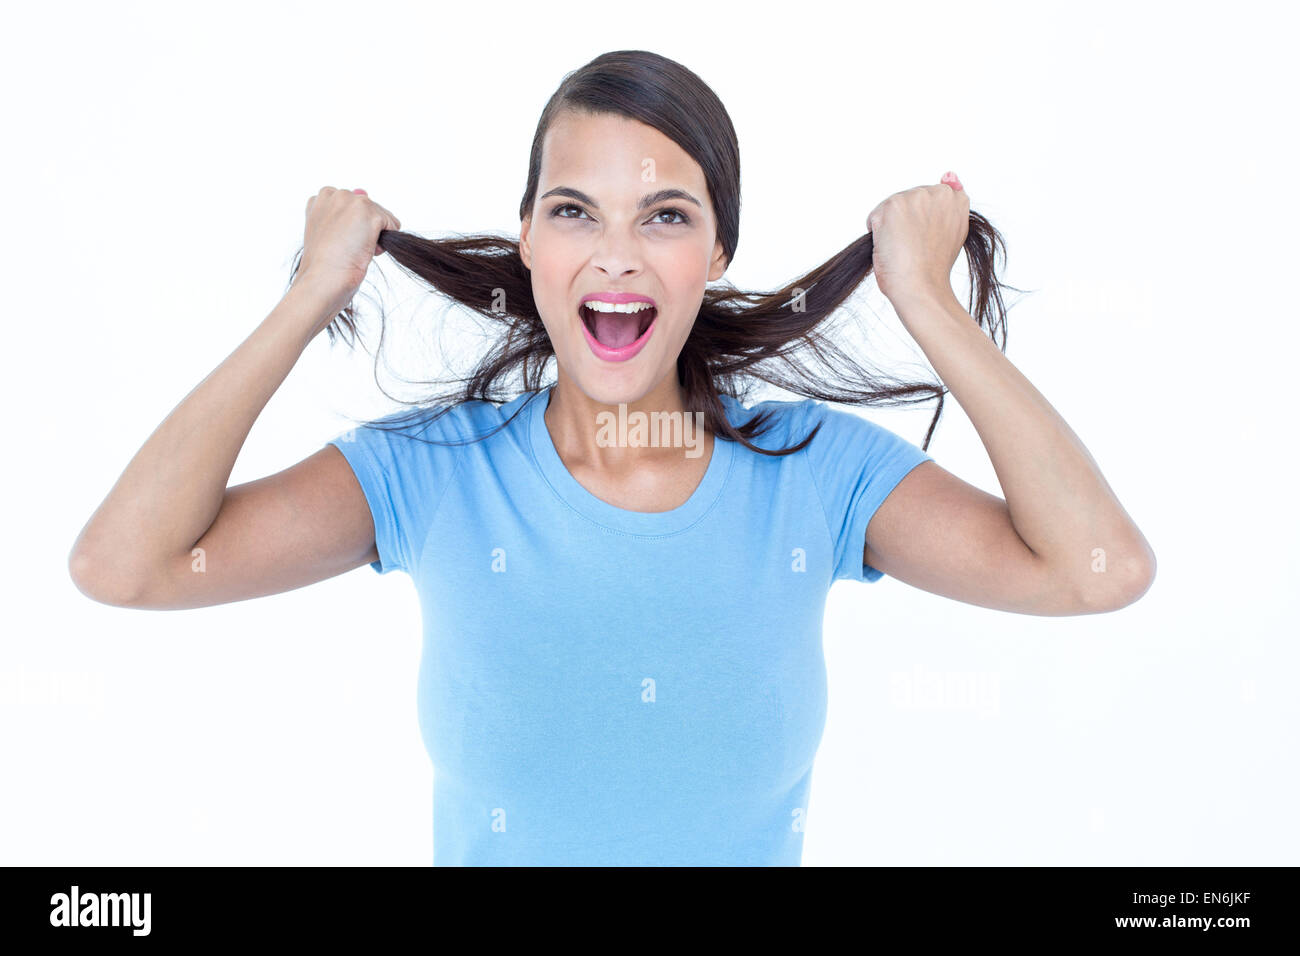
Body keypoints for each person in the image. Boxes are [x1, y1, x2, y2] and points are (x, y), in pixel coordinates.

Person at [68, 50, 1155, 866]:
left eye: (666, 215)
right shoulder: (432, 473)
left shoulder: (815, 471)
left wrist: (924, 298)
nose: (618, 252)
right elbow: (125, 565)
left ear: (717, 250)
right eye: (574, 210)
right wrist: (310, 296)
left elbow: (1096, 570)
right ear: (530, 239)